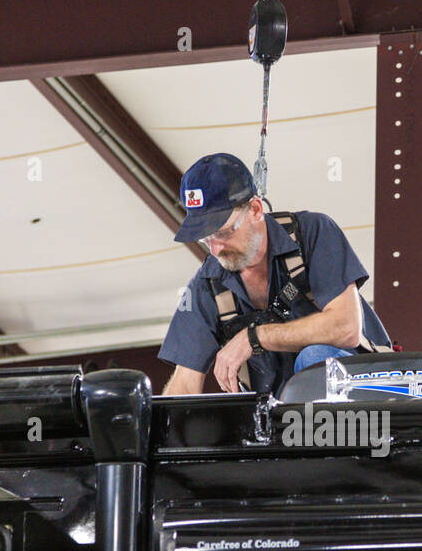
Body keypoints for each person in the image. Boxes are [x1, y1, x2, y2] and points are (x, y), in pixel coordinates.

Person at [160, 153, 391, 395]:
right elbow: (184, 384)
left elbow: (346, 328)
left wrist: (255, 337)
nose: (216, 249)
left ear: (256, 209)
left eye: (225, 233)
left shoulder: (313, 233)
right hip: (290, 422)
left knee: (314, 360)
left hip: (370, 401)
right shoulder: (207, 286)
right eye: (206, 239)